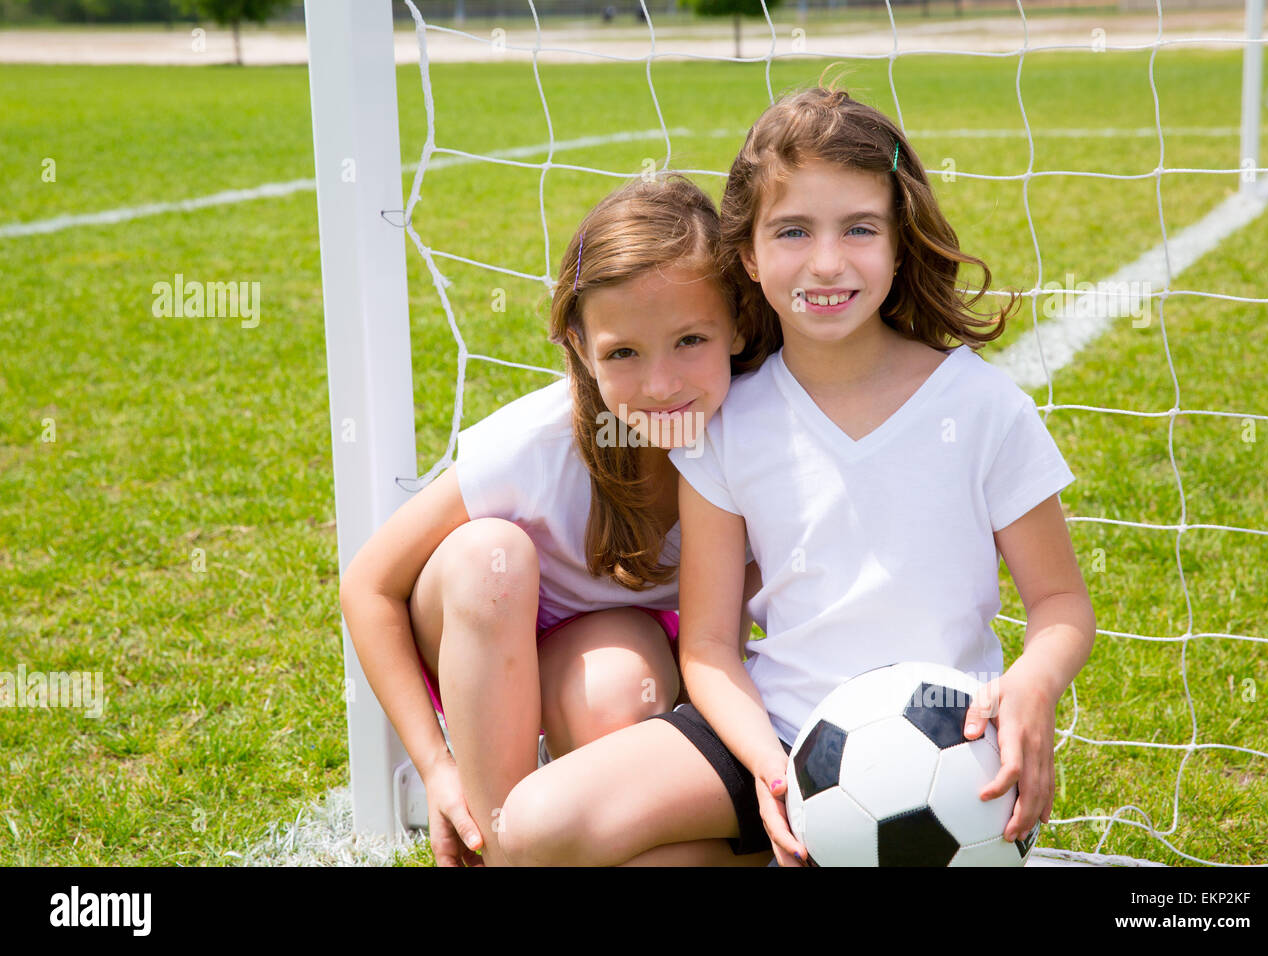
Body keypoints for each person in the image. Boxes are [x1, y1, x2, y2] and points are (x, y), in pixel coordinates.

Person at [497, 84, 1095, 866]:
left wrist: (1034, 684)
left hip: (952, 753)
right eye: (792, 231)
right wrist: (773, 771)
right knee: (533, 826)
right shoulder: (729, 424)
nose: (826, 260)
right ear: (746, 253)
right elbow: (708, 646)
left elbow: (1061, 605)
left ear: (898, 242)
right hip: (773, 731)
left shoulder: (982, 407)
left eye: (858, 228)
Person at [339, 175, 767, 867]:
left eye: (690, 339)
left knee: (617, 699)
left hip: (631, 645)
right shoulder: (536, 447)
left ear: (739, 323)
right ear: (578, 343)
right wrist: (435, 767)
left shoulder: (763, 433)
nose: (661, 385)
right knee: (488, 557)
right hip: (484, 622)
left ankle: (567, 825)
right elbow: (368, 585)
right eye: (623, 353)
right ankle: (501, 844)